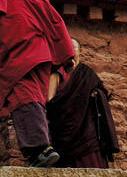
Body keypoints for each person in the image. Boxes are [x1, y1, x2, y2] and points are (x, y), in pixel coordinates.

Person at [0, 0, 74, 167]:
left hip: (19, 58)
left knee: (24, 98)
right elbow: (55, 22)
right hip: (40, 55)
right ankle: (35, 154)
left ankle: (42, 148)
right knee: (32, 98)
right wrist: (65, 53)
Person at [46, 40, 120, 168]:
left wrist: (96, 95)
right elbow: (51, 103)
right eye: (67, 47)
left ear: (80, 51)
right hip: (64, 130)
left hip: (87, 130)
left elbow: (102, 96)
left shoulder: (87, 74)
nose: (70, 50)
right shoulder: (57, 73)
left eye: (73, 47)